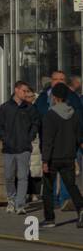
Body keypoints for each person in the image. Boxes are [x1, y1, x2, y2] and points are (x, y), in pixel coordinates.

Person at [39, 82, 83, 228]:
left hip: (53, 158)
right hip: (69, 157)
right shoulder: (74, 114)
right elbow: (79, 137)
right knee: (71, 186)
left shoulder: (50, 115)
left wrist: (45, 160)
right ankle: (81, 210)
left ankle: (50, 218)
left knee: (48, 188)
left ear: (55, 97)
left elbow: (47, 140)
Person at [0, 81, 38, 215]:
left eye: (27, 91)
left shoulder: (29, 108)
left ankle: (20, 204)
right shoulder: (5, 107)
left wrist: (30, 136)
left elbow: (36, 123)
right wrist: (4, 138)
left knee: (23, 176)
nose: (26, 94)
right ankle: (11, 200)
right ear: (16, 90)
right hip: (9, 148)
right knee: (9, 176)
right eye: (24, 91)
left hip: (24, 147)